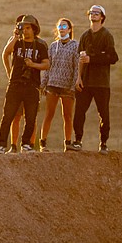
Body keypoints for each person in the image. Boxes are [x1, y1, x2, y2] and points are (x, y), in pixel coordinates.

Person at [0, 15, 49, 153]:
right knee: (8, 115)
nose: (25, 31)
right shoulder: (16, 42)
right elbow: (6, 53)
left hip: (32, 85)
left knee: (31, 117)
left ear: (34, 29)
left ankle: (26, 144)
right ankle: (1, 145)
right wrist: (9, 72)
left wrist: (33, 65)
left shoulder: (40, 45)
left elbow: (46, 64)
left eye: (28, 28)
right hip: (15, 84)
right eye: (23, 28)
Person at [72, 5, 120, 152]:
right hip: (85, 81)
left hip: (101, 83)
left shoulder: (106, 35)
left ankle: (103, 143)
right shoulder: (85, 36)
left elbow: (113, 57)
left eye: (96, 13)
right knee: (79, 112)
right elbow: (81, 59)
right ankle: (77, 140)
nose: (93, 15)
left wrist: (92, 59)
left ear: (102, 17)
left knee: (103, 114)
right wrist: (78, 78)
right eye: (91, 12)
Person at [41, 17, 81, 151]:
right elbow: (48, 66)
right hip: (53, 83)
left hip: (67, 86)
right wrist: (43, 83)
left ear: (69, 29)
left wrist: (73, 85)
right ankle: (43, 143)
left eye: (64, 26)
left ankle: (67, 143)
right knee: (49, 114)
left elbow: (77, 67)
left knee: (67, 116)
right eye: (60, 26)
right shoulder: (53, 46)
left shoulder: (75, 46)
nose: (61, 29)